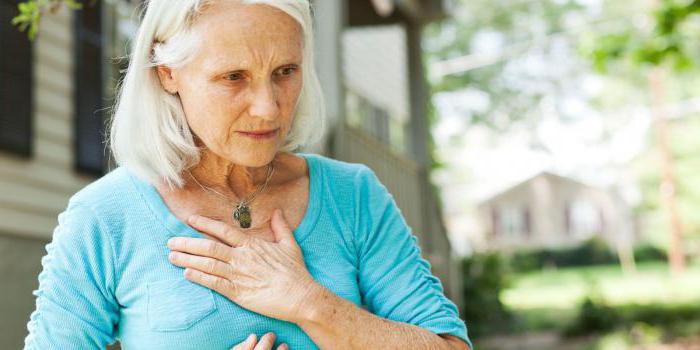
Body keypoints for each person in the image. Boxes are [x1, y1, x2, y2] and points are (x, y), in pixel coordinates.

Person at [24, 1, 471, 349]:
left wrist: (309, 302)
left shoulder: (352, 195)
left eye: (285, 72)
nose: (268, 107)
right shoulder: (104, 216)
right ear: (167, 74)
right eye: (234, 76)